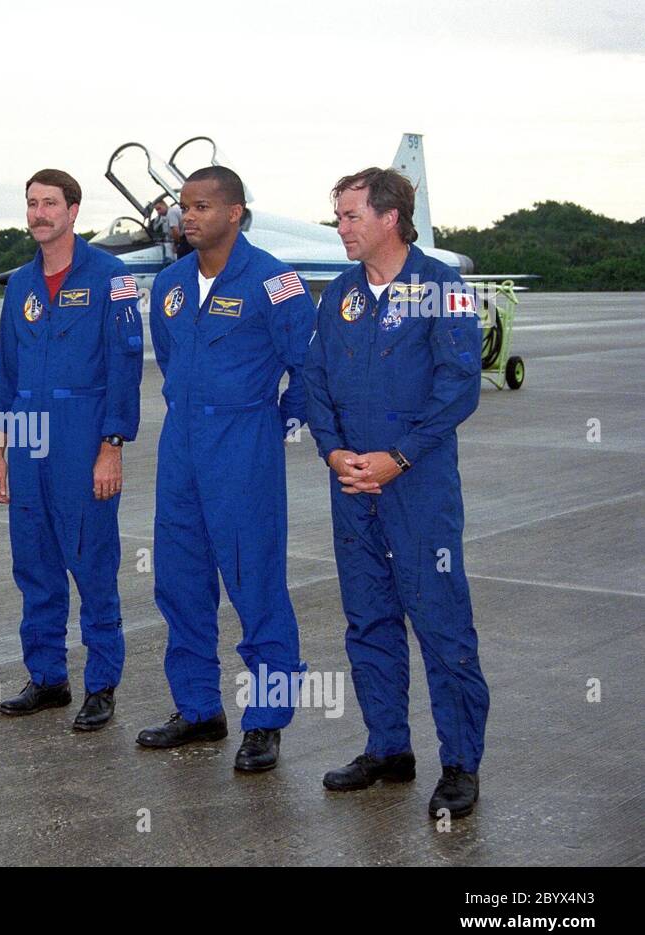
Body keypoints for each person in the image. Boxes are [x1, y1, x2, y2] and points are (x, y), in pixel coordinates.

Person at [303, 167, 489, 817]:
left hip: (418, 483)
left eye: (351, 216)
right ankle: (389, 747)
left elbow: (459, 384)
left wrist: (399, 458)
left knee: (440, 622)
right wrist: (334, 452)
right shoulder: (341, 295)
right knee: (369, 619)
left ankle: (461, 762)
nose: (342, 229)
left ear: (390, 217)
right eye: (339, 217)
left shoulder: (443, 288)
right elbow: (315, 382)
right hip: (352, 484)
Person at [139, 167, 315, 772]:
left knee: (254, 582)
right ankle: (197, 709)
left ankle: (266, 720)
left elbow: (308, 368)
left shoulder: (275, 281)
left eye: (203, 206)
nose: (188, 217)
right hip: (181, 443)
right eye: (185, 207)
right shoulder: (168, 284)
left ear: (236, 211)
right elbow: (169, 359)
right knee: (180, 581)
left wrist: (277, 425)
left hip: (243, 443)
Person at [0, 169, 143, 731]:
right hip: (26, 441)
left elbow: (125, 370)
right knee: (35, 566)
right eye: (31, 203)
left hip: (83, 439)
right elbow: (7, 373)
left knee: (93, 564)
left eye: (49, 203)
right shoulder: (21, 285)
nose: (39, 213)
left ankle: (101, 684)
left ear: (73, 211)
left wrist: (112, 446)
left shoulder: (111, 277)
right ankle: (48, 677)